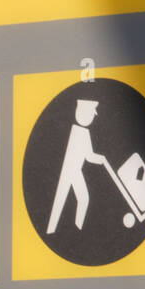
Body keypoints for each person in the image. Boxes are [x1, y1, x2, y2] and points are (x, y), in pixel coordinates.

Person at [47, 100, 106, 233]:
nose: (92, 117)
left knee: (81, 198)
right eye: (91, 114)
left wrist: (99, 159)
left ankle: (76, 228)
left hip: (74, 171)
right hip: (71, 171)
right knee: (63, 199)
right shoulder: (81, 132)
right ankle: (62, 229)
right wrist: (101, 159)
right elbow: (89, 156)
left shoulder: (79, 130)